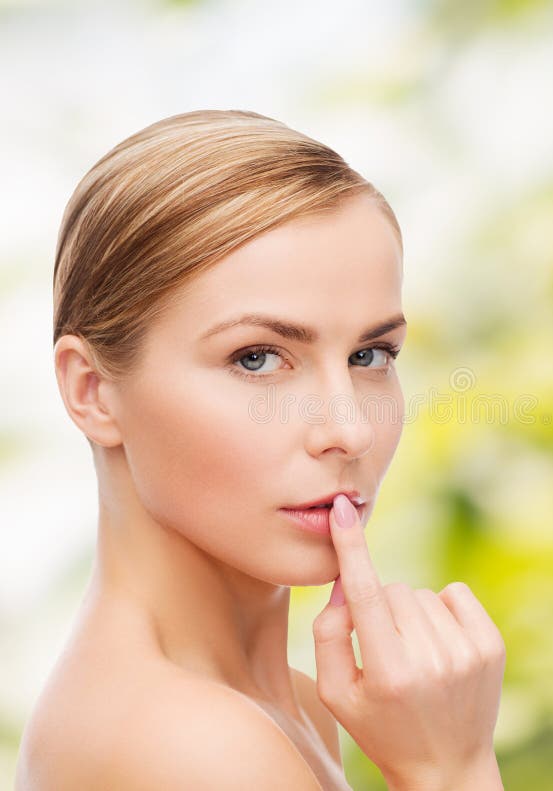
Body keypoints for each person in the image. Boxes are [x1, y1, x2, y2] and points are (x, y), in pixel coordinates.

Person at [14, 109, 506, 791]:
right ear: (93, 390)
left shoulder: (292, 705)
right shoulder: (194, 747)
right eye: (256, 359)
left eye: (370, 353)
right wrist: (451, 771)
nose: (348, 428)